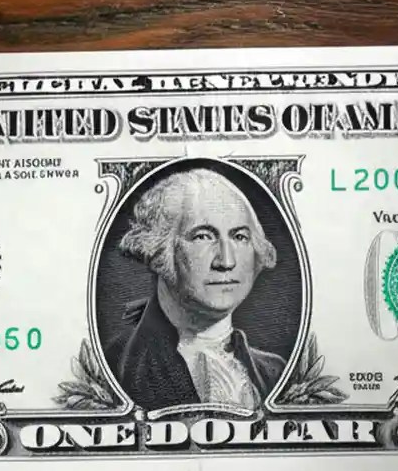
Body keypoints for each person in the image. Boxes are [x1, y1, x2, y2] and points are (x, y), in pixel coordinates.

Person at [104, 166, 286, 412]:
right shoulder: (113, 366)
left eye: (240, 237)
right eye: (203, 237)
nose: (226, 261)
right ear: (159, 249)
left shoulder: (274, 372)